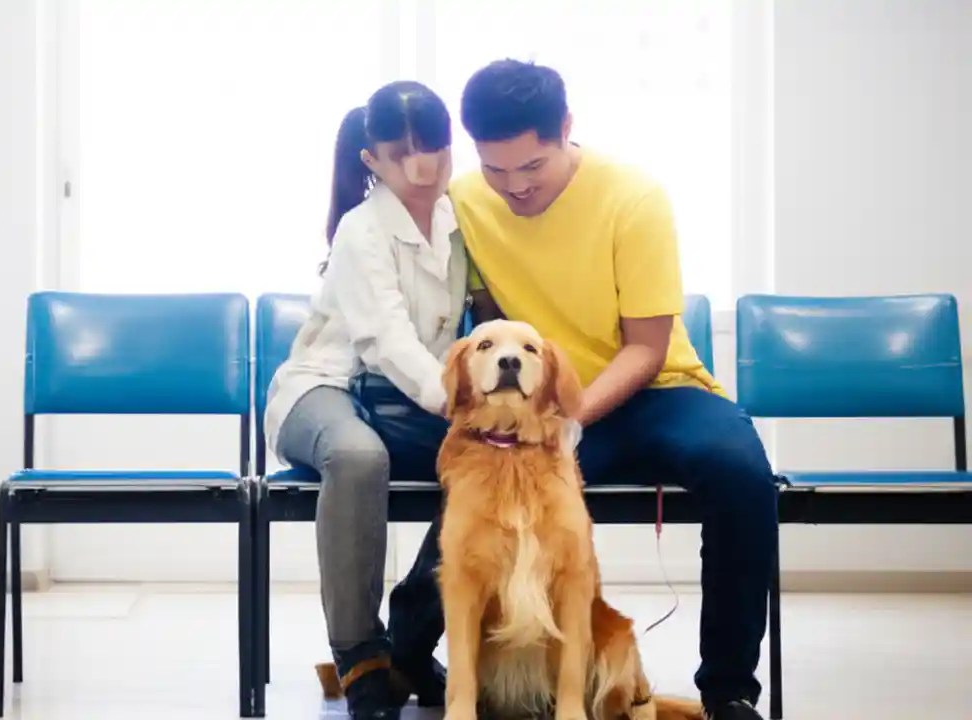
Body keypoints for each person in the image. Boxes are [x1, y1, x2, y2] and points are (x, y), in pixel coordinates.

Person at [445, 59, 778, 720]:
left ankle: (730, 688)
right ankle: (404, 663)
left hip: (655, 393)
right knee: (477, 504)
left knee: (741, 475)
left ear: (566, 129)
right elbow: (481, 315)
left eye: (532, 168)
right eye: (496, 170)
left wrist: (571, 420)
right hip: (542, 403)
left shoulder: (634, 198)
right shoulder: (469, 199)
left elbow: (647, 348)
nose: (514, 187)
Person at [263, 80, 461, 720]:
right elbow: (385, 339)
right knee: (356, 458)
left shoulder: (463, 219)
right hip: (322, 389)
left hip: (401, 401)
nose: (422, 168)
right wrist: (453, 401)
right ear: (370, 160)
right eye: (401, 155)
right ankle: (360, 654)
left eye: (433, 148)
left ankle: (410, 635)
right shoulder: (361, 228)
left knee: (489, 460)